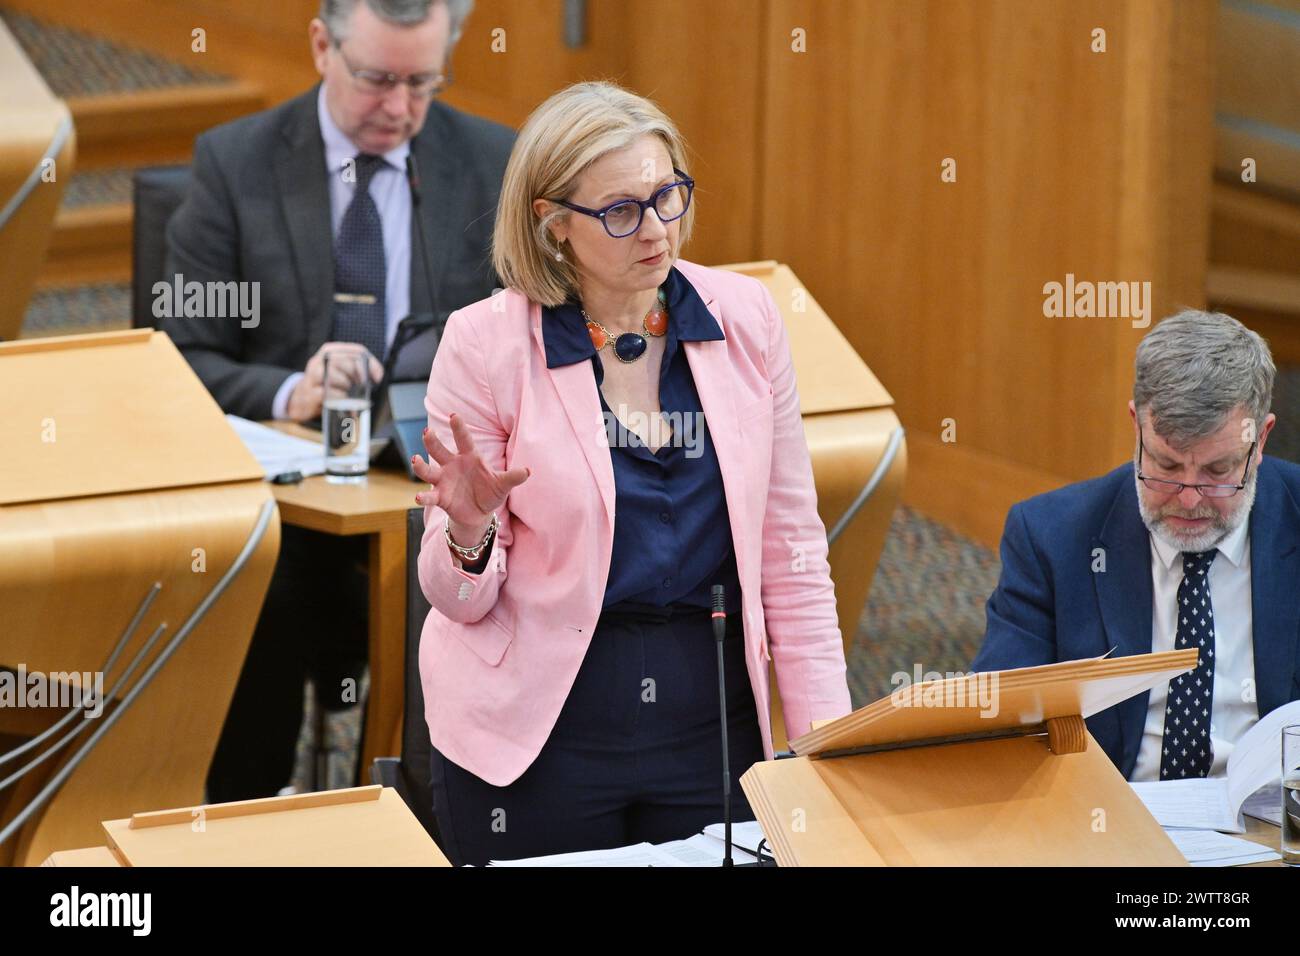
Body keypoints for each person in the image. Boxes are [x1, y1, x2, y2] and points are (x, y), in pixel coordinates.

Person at [410, 81, 852, 865]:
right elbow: (458, 600)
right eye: (621, 212)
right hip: (539, 731)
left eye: (668, 196)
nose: (656, 231)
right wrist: (470, 533)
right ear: (552, 225)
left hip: (710, 720)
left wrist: (826, 747)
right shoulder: (485, 346)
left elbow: (793, 555)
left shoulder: (745, 320)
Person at [161, 0, 513, 801]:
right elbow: (176, 355)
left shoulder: (490, 162)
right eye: (378, 79)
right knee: (261, 591)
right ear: (323, 47)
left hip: (436, 499)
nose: (400, 107)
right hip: (290, 522)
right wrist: (290, 390)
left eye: (423, 81)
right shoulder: (237, 164)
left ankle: (442, 819)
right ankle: (244, 820)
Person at [973, 309, 1300, 781]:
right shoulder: (1051, 536)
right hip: (1111, 819)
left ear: (1261, 439)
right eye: (1166, 467)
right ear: (1136, 426)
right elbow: (999, 719)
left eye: (1217, 471)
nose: (1189, 499)